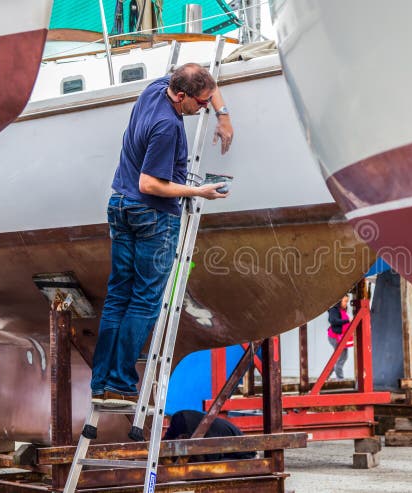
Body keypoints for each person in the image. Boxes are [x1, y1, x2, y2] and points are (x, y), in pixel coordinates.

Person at [90, 63, 233, 407]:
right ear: (181, 96)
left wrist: (222, 115)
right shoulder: (168, 127)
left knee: (117, 296)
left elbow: (207, 86)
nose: (202, 109)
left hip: (119, 205)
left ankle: (102, 382)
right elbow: (149, 183)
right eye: (199, 105)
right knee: (144, 300)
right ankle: (122, 383)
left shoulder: (157, 88)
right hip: (150, 215)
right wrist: (199, 192)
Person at [163, 410, 257, 462]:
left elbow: (207, 459)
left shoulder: (183, 421)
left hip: (243, 454)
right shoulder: (182, 420)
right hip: (241, 448)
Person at [327, 294, 353, 380]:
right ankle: (340, 378)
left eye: (347, 301)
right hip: (334, 336)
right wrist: (348, 320)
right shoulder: (334, 310)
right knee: (342, 357)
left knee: (338, 357)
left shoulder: (341, 309)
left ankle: (326, 376)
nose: (346, 303)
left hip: (340, 336)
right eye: (345, 301)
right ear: (339, 301)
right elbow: (333, 321)